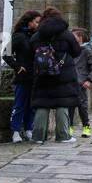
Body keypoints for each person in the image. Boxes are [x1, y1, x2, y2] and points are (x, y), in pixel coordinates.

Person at [29, 7, 82, 144]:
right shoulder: (66, 34)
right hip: (63, 74)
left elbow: (31, 53)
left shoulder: (36, 36)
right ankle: (63, 136)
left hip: (42, 75)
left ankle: (38, 136)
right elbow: (76, 52)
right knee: (62, 103)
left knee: (42, 103)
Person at [3, 10, 40, 142]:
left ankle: (29, 129)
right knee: (19, 105)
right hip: (23, 76)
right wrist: (17, 67)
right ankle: (15, 131)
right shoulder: (19, 36)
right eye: (36, 22)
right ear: (29, 22)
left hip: (35, 76)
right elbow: (5, 53)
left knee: (32, 105)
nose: (38, 24)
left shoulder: (37, 37)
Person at [71, 28, 92, 137]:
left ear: (79, 38)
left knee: (82, 106)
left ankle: (86, 126)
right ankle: (69, 128)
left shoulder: (87, 51)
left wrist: (89, 80)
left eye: (73, 36)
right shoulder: (70, 50)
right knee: (69, 106)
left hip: (81, 82)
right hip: (70, 82)